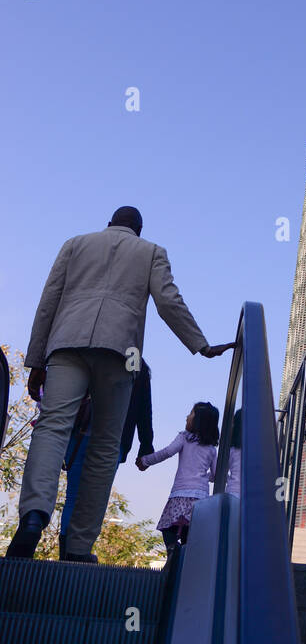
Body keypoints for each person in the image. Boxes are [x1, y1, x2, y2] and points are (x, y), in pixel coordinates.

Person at [7, 206, 234, 563]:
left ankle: (34, 517)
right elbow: (168, 302)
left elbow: (48, 300)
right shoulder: (151, 252)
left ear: (109, 223)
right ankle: (79, 546)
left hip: (67, 344)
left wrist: (36, 359)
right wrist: (201, 345)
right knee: (105, 446)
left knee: (51, 429)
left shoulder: (75, 244)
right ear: (138, 230)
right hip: (122, 352)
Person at [58, 359, 155, 559]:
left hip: (80, 433)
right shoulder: (137, 364)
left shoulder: (95, 353)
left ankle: (65, 552)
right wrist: (145, 445)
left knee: (73, 497)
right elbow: (144, 409)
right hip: (113, 440)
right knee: (94, 499)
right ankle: (79, 551)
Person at [137, 401, 220, 552]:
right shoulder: (211, 449)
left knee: (168, 529)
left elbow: (168, 452)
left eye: (191, 413)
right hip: (200, 500)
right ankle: (184, 562)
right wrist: (203, 478)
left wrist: (145, 461)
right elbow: (215, 475)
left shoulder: (184, 438)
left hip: (179, 495)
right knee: (191, 535)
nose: (187, 417)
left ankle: (172, 553)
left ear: (198, 420)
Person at [226, 408, 242, 497]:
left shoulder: (232, 450)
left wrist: (229, 480)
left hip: (232, 492)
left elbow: (221, 472)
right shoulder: (257, 454)